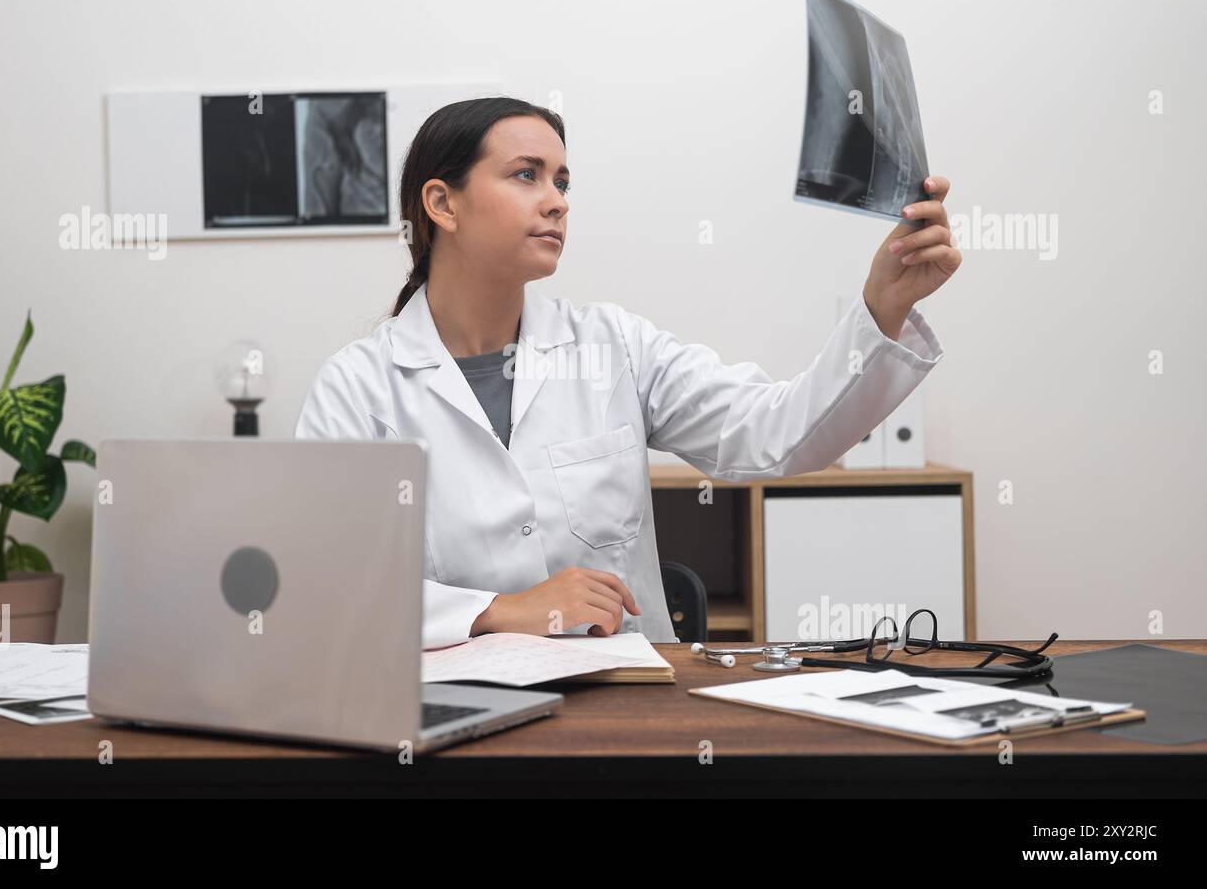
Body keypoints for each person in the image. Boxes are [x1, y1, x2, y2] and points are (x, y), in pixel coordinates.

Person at [295, 97, 960, 649]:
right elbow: (328, 579)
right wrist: (499, 609)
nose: (556, 201)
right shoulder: (359, 388)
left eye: (562, 181)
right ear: (442, 203)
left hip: (623, 703)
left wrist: (884, 306)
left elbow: (776, 434)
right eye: (527, 175)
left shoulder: (614, 345)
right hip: (454, 706)